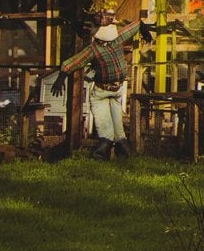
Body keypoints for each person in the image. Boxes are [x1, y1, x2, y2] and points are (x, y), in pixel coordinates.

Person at [63, 16, 148, 156]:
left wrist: (62, 75)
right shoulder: (118, 39)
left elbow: (74, 62)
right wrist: (145, 31)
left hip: (104, 90)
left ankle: (103, 151)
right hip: (115, 88)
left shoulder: (93, 49)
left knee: (106, 128)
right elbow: (136, 24)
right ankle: (123, 151)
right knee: (116, 126)